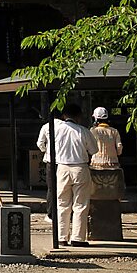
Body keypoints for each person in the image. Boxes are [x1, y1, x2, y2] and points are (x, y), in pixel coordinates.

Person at [53, 103, 99, 246]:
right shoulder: (83, 131)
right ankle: (78, 238)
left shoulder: (56, 130)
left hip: (62, 167)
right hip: (80, 167)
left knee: (62, 203)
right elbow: (94, 150)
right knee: (80, 204)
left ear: (63, 115)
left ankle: (61, 237)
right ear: (78, 116)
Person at [35, 112, 61, 222]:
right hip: (64, 160)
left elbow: (40, 143)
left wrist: (46, 151)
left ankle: (51, 214)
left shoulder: (46, 126)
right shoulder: (66, 126)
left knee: (51, 187)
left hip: (51, 160)